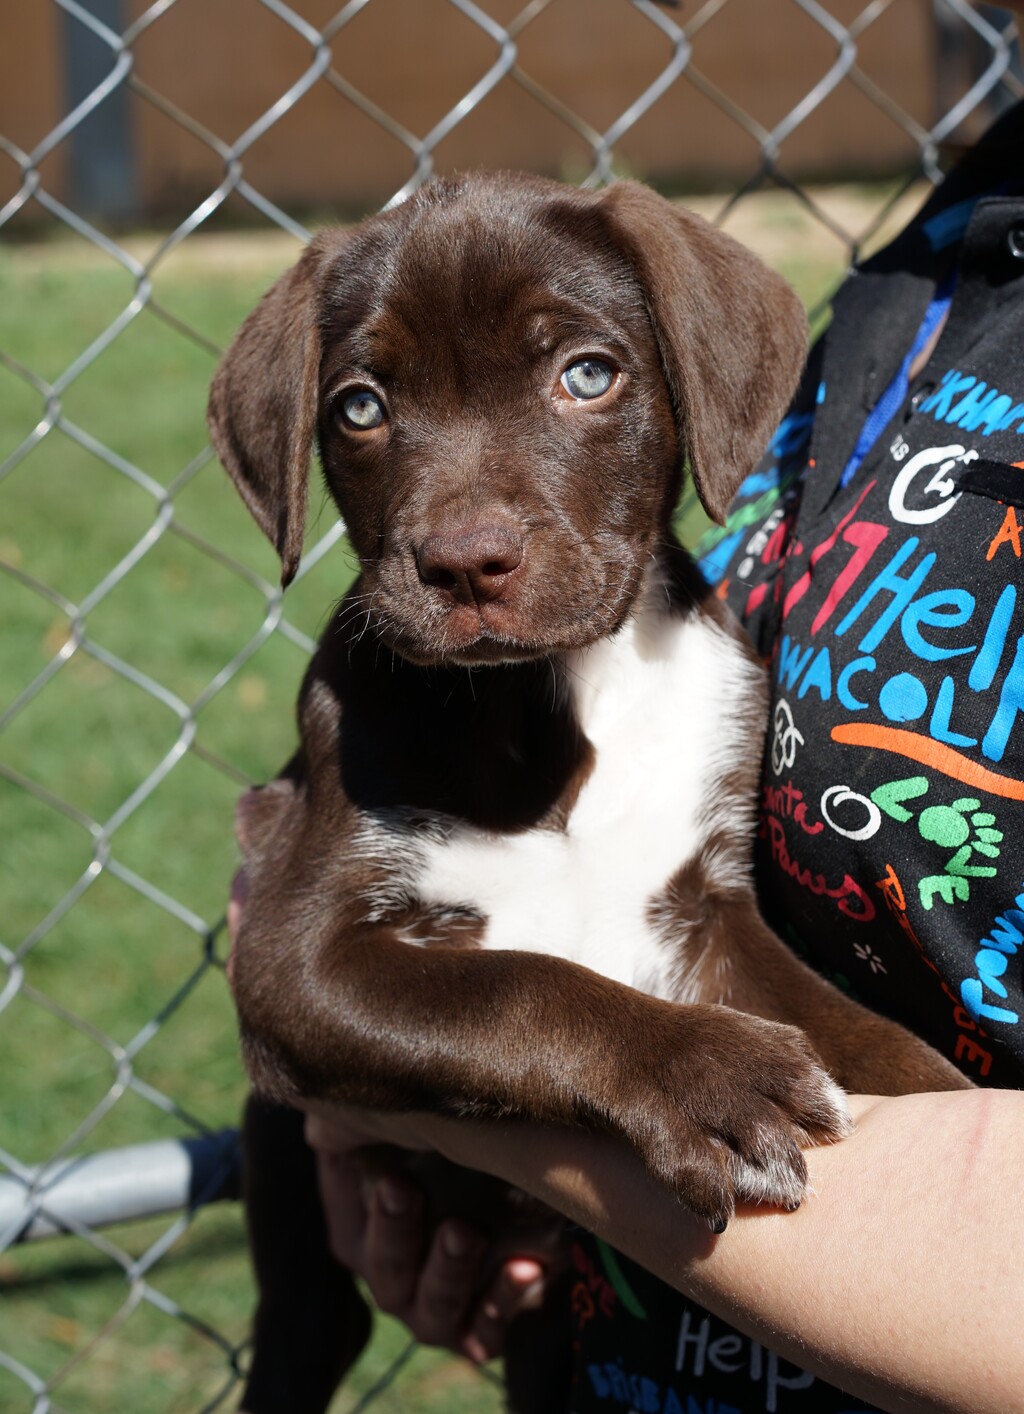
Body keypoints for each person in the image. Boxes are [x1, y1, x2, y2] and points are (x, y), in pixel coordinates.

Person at [231, 82, 1024, 1414]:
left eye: (582, 372)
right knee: (300, 1362)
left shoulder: (697, 673)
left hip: (743, 1288)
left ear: (680, 380)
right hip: (590, 1306)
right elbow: (300, 986)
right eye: (372, 405)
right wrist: (629, 1060)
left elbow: (707, 934)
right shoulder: (950, 239)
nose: (468, 524)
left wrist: (910, 1104)